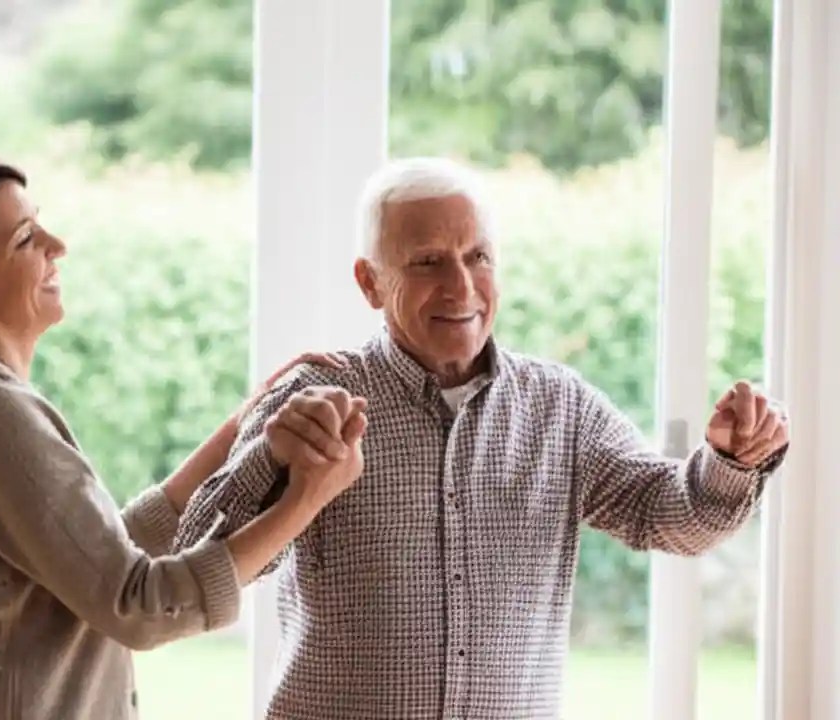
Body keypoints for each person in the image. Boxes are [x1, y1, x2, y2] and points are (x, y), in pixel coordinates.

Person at [174, 157, 790, 719]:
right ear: (369, 283)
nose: (462, 287)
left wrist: (732, 460)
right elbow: (195, 553)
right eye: (428, 262)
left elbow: (672, 515)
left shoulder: (560, 406)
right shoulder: (314, 398)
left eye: (478, 257)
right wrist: (271, 460)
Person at [0, 153, 371, 720]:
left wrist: (242, 425)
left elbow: (97, 560)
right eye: (27, 239)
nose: (58, 246)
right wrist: (307, 498)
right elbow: (140, 605)